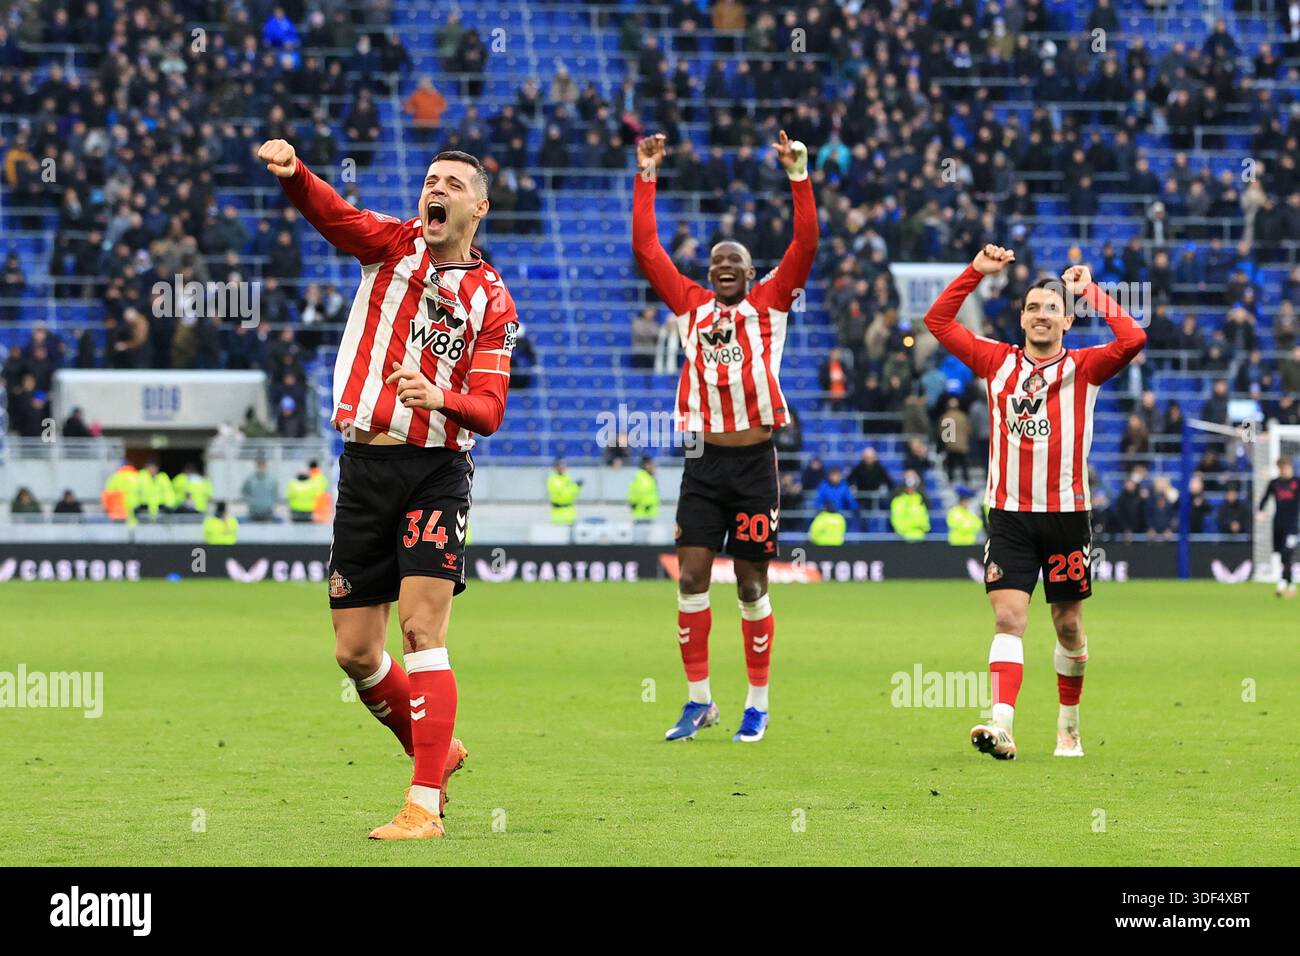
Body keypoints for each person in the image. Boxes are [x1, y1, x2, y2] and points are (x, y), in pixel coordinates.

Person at [259, 138, 518, 840]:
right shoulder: (393, 246)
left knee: (421, 629)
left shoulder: (491, 301)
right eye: (430, 178)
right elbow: (336, 216)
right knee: (355, 652)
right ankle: (438, 751)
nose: (436, 188)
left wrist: (440, 396)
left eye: (453, 183)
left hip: (435, 472)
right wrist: (297, 177)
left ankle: (424, 805)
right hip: (364, 469)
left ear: (478, 207)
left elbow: (490, 411)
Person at [924, 244, 1146, 761]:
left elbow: (1134, 337)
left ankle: (1068, 725)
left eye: (1050, 308)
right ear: (1021, 319)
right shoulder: (994, 360)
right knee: (1009, 620)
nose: (1040, 315)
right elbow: (937, 320)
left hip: (1067, 516)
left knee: (1068, 625)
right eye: (1031, 308)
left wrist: (1092, 290)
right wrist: (975, 272)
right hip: (1009, 515)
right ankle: (1001, 724)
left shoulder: (1086, 368)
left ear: (1067, 320)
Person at [634, 129, 815, 744]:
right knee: (689, 579)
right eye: (716, 266)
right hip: (703, 465)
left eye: (734, 265)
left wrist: (798, 176)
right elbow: (647, 249)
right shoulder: (689, 306)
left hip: (756, 466)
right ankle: (699, 702)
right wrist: (647, 177)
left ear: (752, 273)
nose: (724, 272)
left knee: (751, 583)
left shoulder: (772, 306)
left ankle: (758, 703)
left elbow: (806, 243)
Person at [1257, 457, 1298, 598]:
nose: (1284, 470)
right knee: (1281, 554)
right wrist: (1261, 511)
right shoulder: (1274, 483)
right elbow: (1264, 498)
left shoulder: (1297, 483)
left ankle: (1283, 583)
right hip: (1278, 523)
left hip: (1293, 525)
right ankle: (1290, 584)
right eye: (1281, 467)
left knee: (1287, 553)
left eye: (1285, 467)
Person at [889, 473, 930, 541]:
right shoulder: (898, 500)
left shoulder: (920, 498)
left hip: (920, 535)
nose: (911, 489)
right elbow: (896, 518)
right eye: (909, 486)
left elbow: (924, 516)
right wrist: (901, 530)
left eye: (913, 486)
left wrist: (923, 528)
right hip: (903, 536)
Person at [241, 458, 279, 522]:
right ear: (256, 466)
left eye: (263, 466)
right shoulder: (250, 479)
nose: (261, 468)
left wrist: (270, 503)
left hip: (268, 512)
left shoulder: (272, 480)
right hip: (253, 512)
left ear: (265, 466)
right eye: (259, 466)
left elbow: (275, 493)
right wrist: (251, 502)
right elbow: (244, 492)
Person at [547, 458, 580, 526]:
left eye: (564, 466)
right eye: (560, 466)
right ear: (556, 467)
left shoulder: (567, 477)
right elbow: (564, 494)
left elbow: (572, 493)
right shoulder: (553, 480)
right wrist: (576, 486)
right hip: (559, 513)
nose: (563, 468)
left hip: (570, 512)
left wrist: (576, 486)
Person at [627, 456, 659, 524]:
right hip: (643, 515)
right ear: (647, 465)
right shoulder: (643, 478)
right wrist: (647, 507)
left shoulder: (646, 477)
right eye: (652, 464)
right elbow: (641, 494)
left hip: (646, 515)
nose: (654, 467)